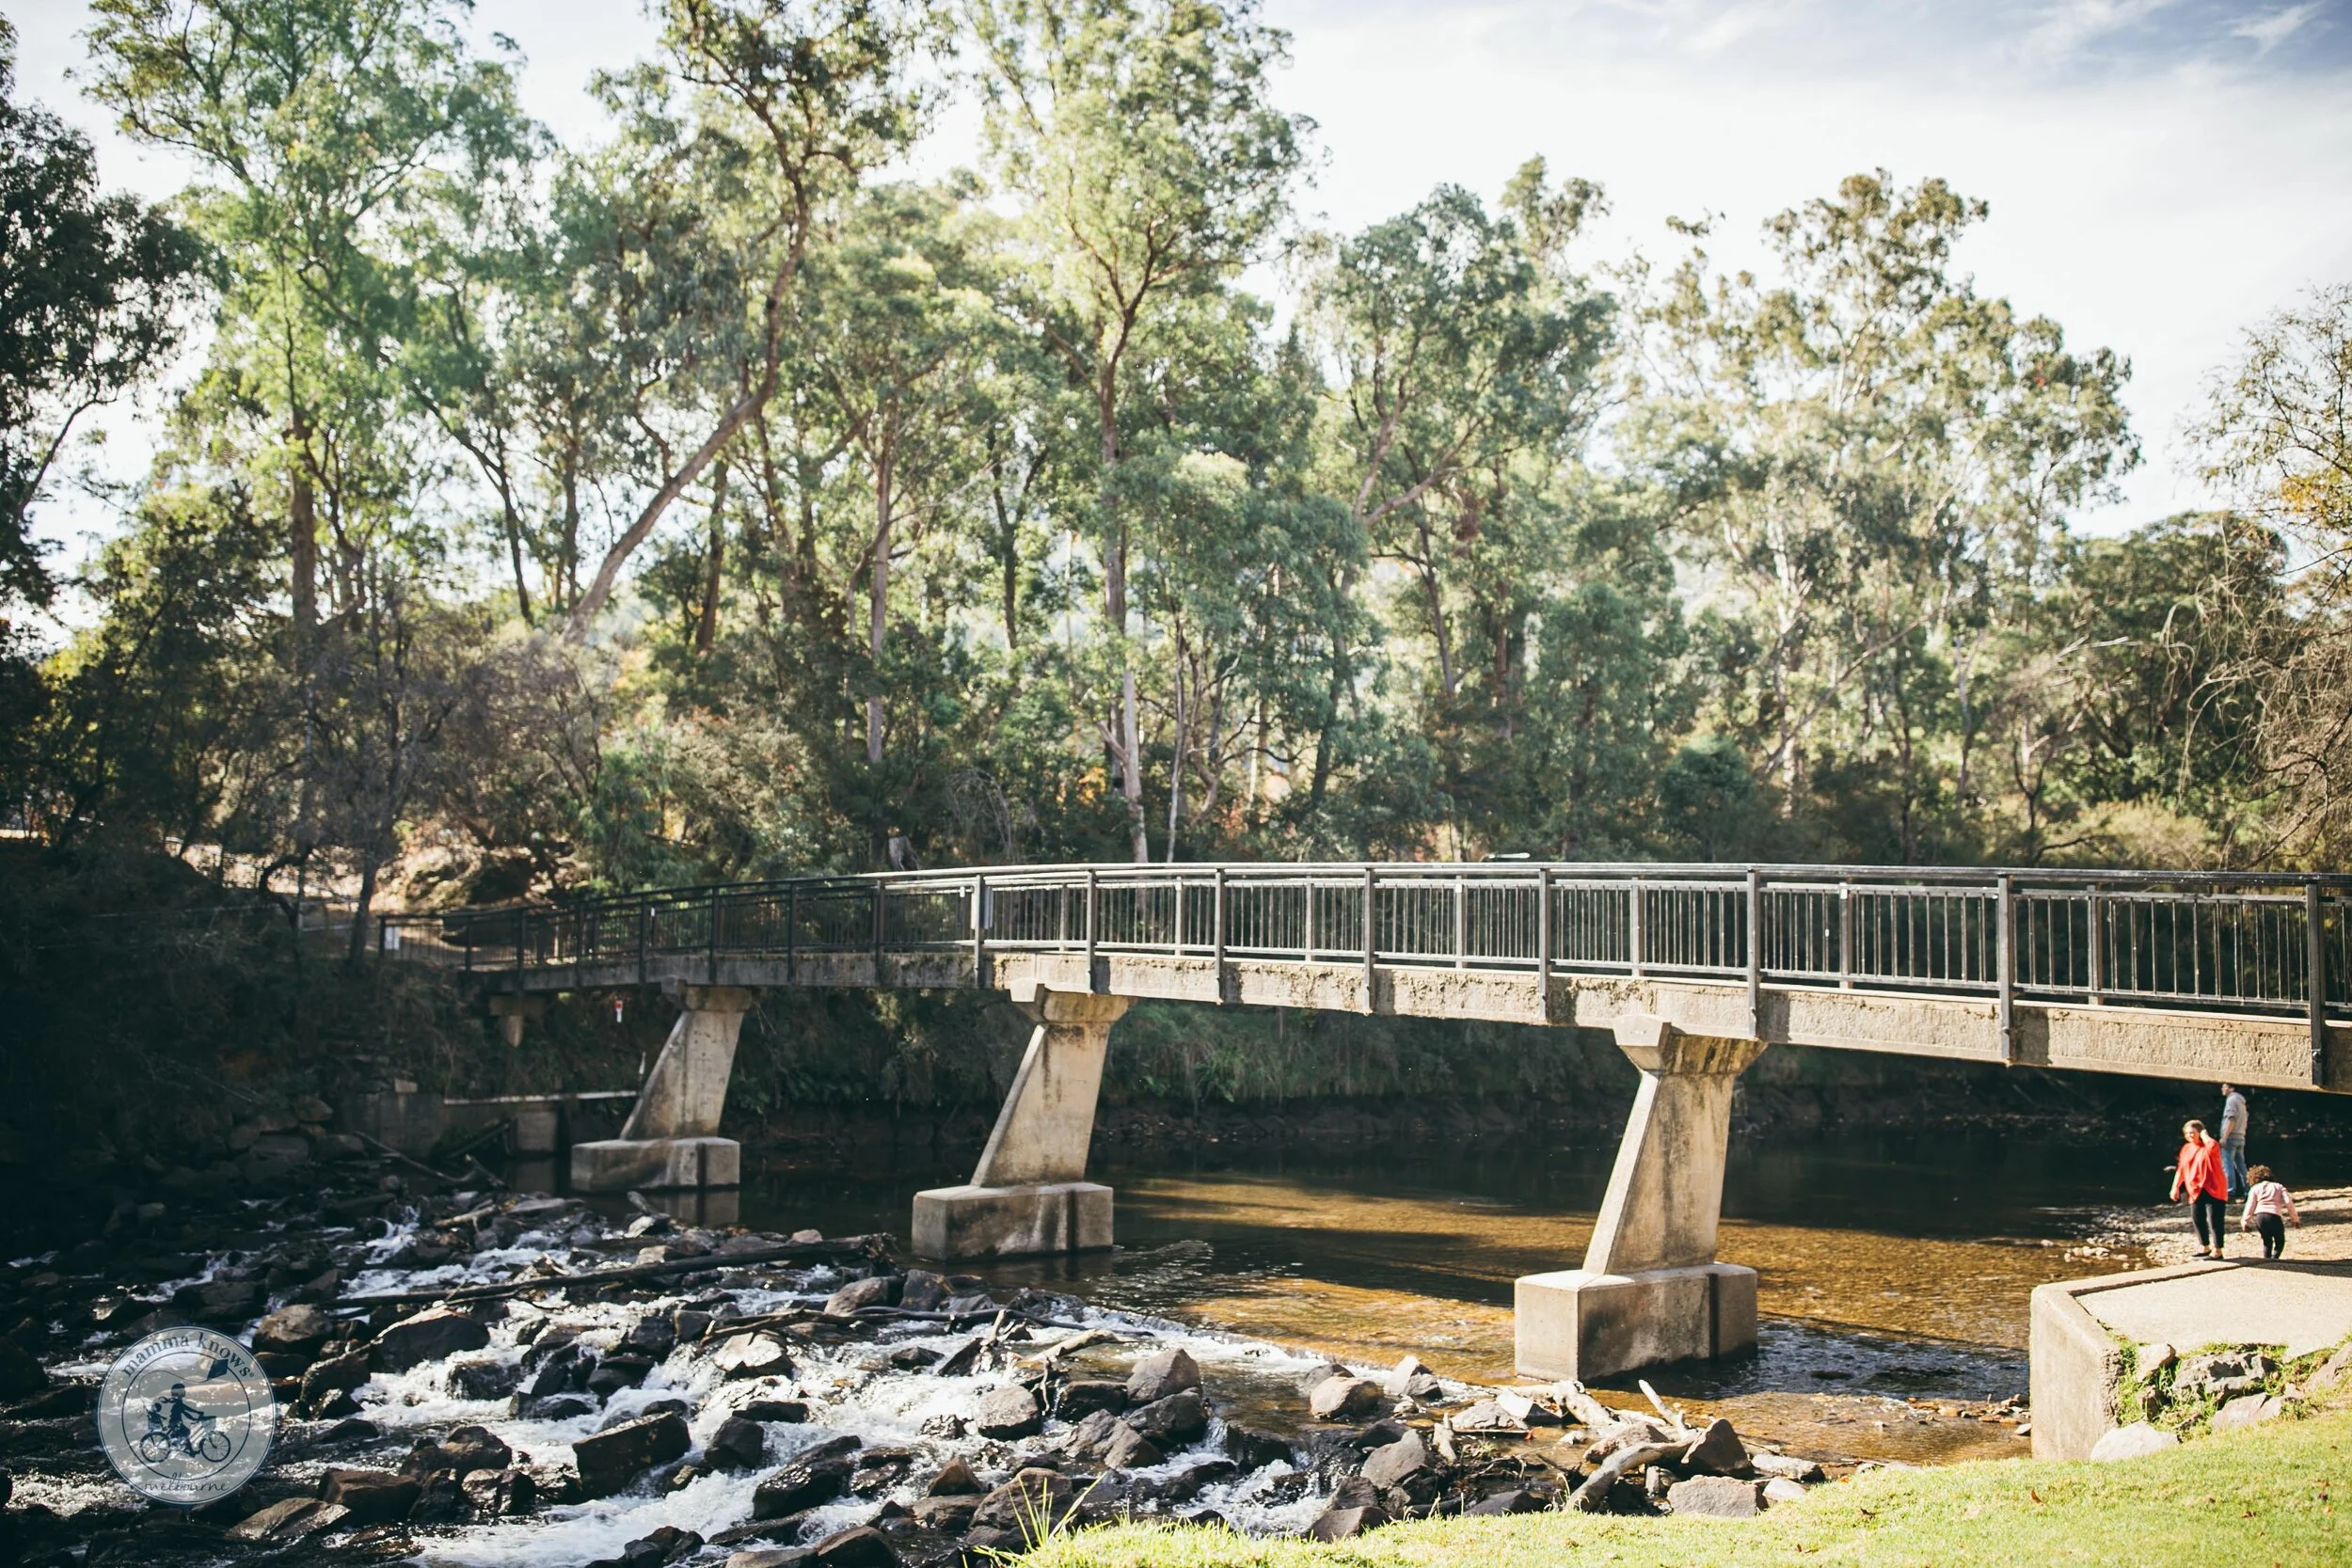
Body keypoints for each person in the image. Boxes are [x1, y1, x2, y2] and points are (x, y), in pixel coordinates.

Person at [2169, 1119, 2230, 1259]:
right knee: (2197, 1218)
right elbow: (2181, 1169)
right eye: (2187, 1133)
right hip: (2195, 1189)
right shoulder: (2186, 1148)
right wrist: (2175, 1187)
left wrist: (2204, 1135)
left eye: (2193, 1133)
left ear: (2200, 1133)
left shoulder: (2209, 1145)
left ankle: (2218, 1249)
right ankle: (2204, 1246)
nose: (2190, 1135)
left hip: (2214, 1187)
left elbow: (2213, 1145)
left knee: (2215, 1220)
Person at [2240, 1164, 2301, 1259]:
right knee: (2280, 1240)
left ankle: (2267, 1260)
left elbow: (2250, 1206)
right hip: (2274, 1215)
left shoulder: (2255, 1188)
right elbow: (2289, 1202)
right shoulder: (2278, 1186)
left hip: (2260, 1217)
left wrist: (2245, 1222)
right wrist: (2295, 1219)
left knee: (2267, 1241)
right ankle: (2275, 1258)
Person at [2219, 1083, 2249, 1200]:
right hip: (2241, 1136)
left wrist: (2225, 1137)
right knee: (2241, 1166)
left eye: (2225, 1086)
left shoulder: (2231, 1100)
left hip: (2231, 1137)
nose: (2222, 1089)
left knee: (2227, 1165)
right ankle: (2248, 1190)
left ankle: (2229, 1192)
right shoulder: (2242, 1102)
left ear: (2232, 1088)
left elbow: (2231, 1118)